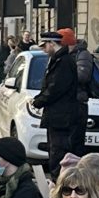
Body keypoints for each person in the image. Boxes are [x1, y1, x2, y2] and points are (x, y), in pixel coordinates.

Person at [30, 28, 85, 174]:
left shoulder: (63, 62)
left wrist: (39, 101)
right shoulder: (58, 60)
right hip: (58, 114)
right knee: (55, 149)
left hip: (62, 115)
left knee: (58, 151)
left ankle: (59, 180)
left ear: (52, 44)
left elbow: (56, 88)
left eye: (45, 46)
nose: (43, 50)